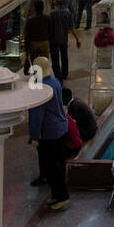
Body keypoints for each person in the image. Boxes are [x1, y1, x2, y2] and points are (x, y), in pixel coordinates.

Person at [27, 56, 71, 211]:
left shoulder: (40, 89)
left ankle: (62, 197)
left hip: (49, 133)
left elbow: (36, 116)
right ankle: (56, 194)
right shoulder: (55, 82)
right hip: (61, 128)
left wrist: (34, 136)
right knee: (59, 164)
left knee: (52, 168)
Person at [48, 0, 81, 81]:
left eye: (55, 0)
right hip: (63, 39)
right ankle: (64, 74)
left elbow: (49, 27)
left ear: (57, 2)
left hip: (54, 40)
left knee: (55, 58)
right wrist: (77, 39)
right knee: (64, 57)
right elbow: (72, 27)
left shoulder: (52, 13)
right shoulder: (68, 13)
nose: (53, 1)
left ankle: (58, 76)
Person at [61, 87, 96, 156]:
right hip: (92, 128)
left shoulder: (73, 107)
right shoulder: (76, 101)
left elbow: (72, 126)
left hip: (88, 133)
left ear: (64, 100)